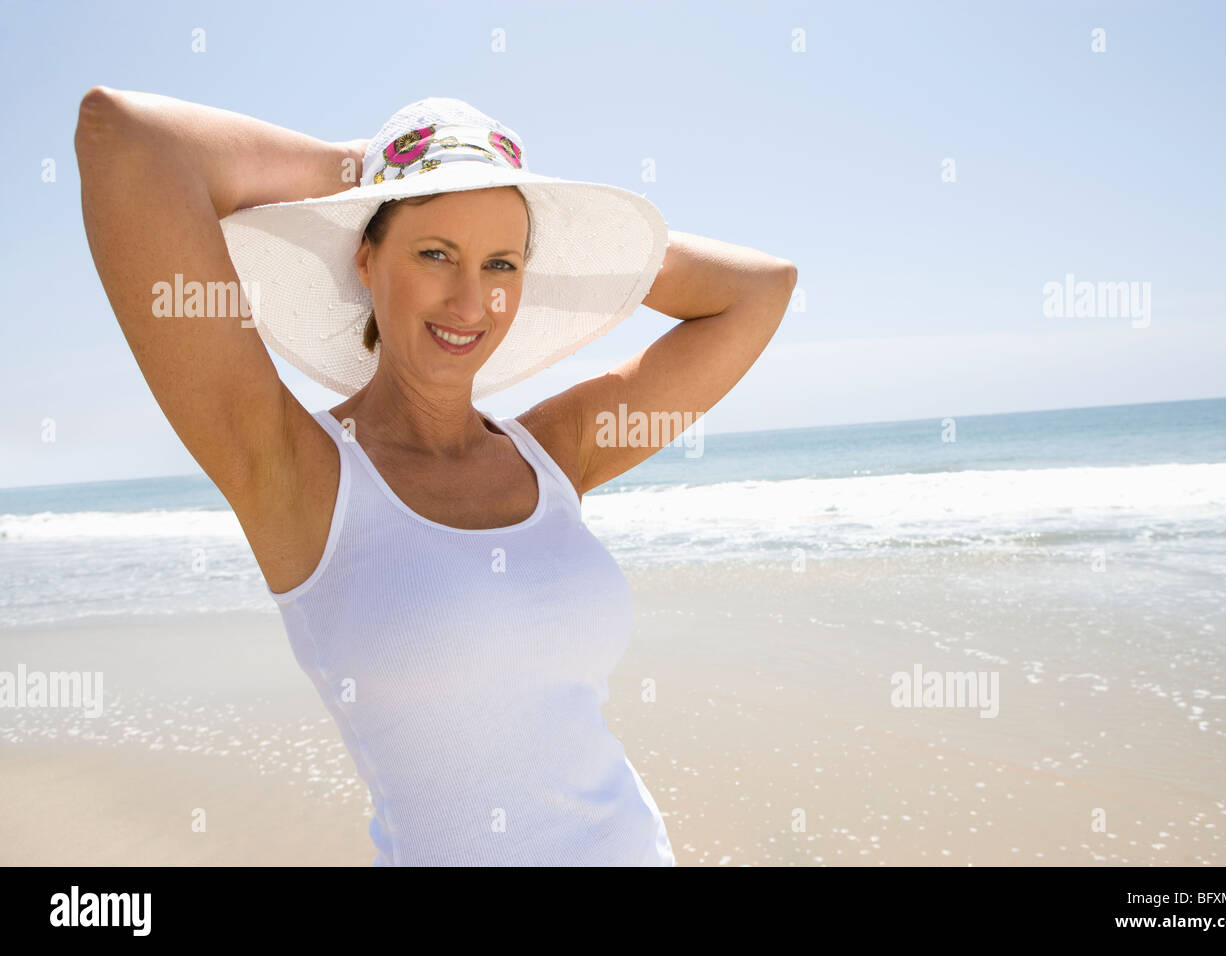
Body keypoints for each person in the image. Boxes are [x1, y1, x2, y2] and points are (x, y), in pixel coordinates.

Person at [75, 88, 798, 866]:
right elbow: (123, 136)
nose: (470, 298)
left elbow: (760, 289)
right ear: (364, 255)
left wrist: (574, 241)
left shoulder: (554, 454)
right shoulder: (295, 473)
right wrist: (373, 169)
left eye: (500, 264)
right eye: (434, 252)